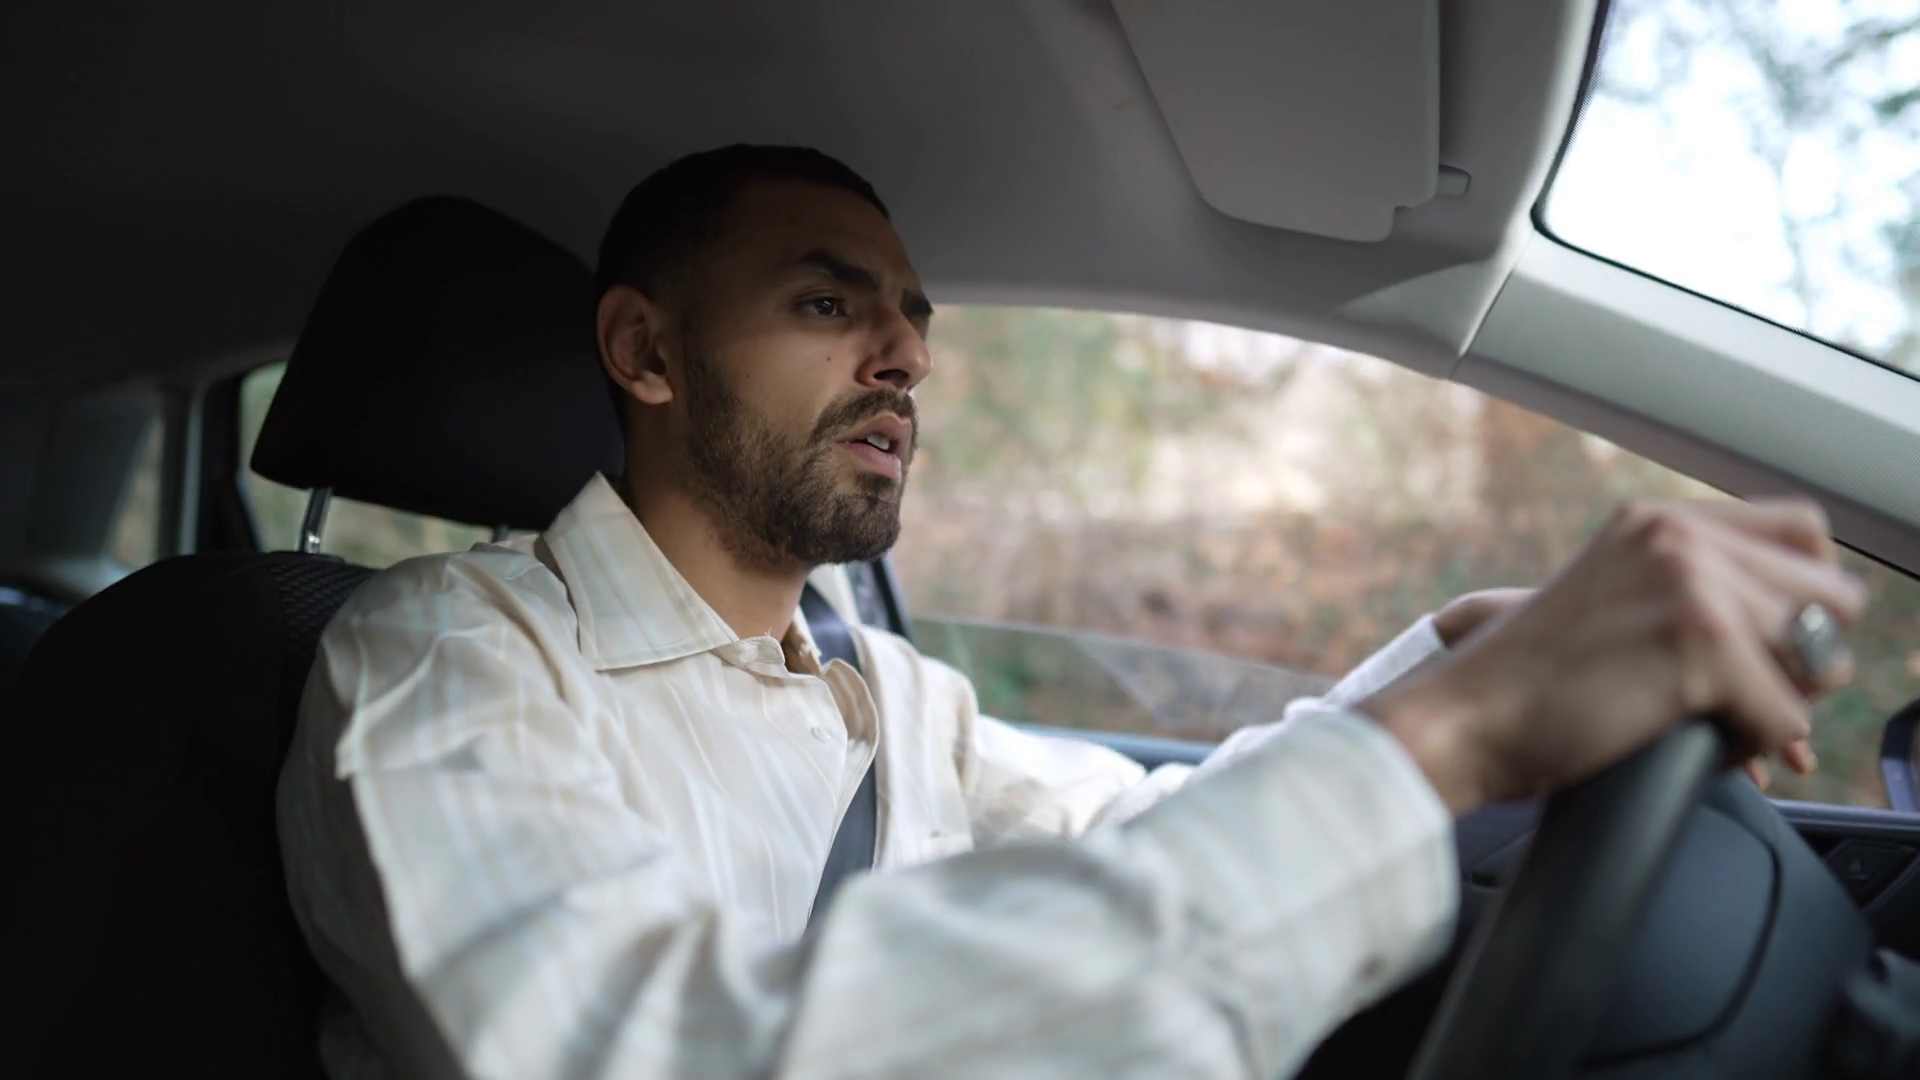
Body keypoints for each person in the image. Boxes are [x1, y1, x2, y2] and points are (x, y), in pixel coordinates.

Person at [277, 145, 1854, 1080]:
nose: (903, 356)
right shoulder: (448, 660)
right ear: (647, 352)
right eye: (829, 305)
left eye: (911, 321)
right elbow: (631, 1049)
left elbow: (1144, 837)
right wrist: (1450, 742)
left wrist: (1447, 666)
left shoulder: (879, 688)